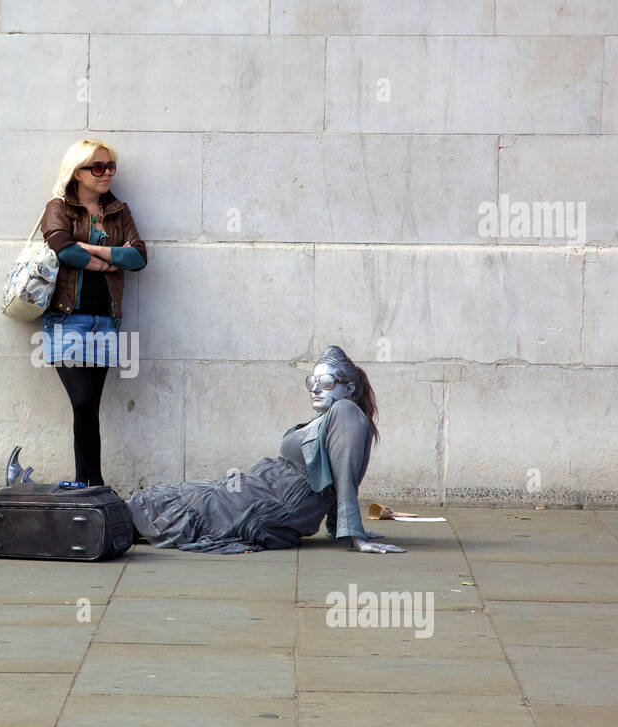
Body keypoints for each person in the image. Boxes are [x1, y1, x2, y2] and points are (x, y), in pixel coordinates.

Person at [127, 346, 405, 554]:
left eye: (327, 383)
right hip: (253, 491)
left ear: (350, 389)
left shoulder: (345, 412)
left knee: (158, 502)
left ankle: (100, 524)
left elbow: (345, 476)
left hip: (268, 503)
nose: (315, 390)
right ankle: (101, 521)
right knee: (165, 498)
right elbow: (338, 473)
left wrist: (354, 534)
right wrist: (339, 528)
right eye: (312, 382)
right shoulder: (330, 419)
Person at [37, 139, 147, 487]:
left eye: (110, 167)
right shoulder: (59, 207)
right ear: (77, 172)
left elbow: (139, 257)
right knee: (82, 401)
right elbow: (62, 249)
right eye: (97, 167)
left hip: (106, 320)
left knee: (90, 408)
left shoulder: (119, 211)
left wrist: (90, 247)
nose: (106, 174)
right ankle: (90, 482)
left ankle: (89, 484)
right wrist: (108, 261)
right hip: (67, 318)